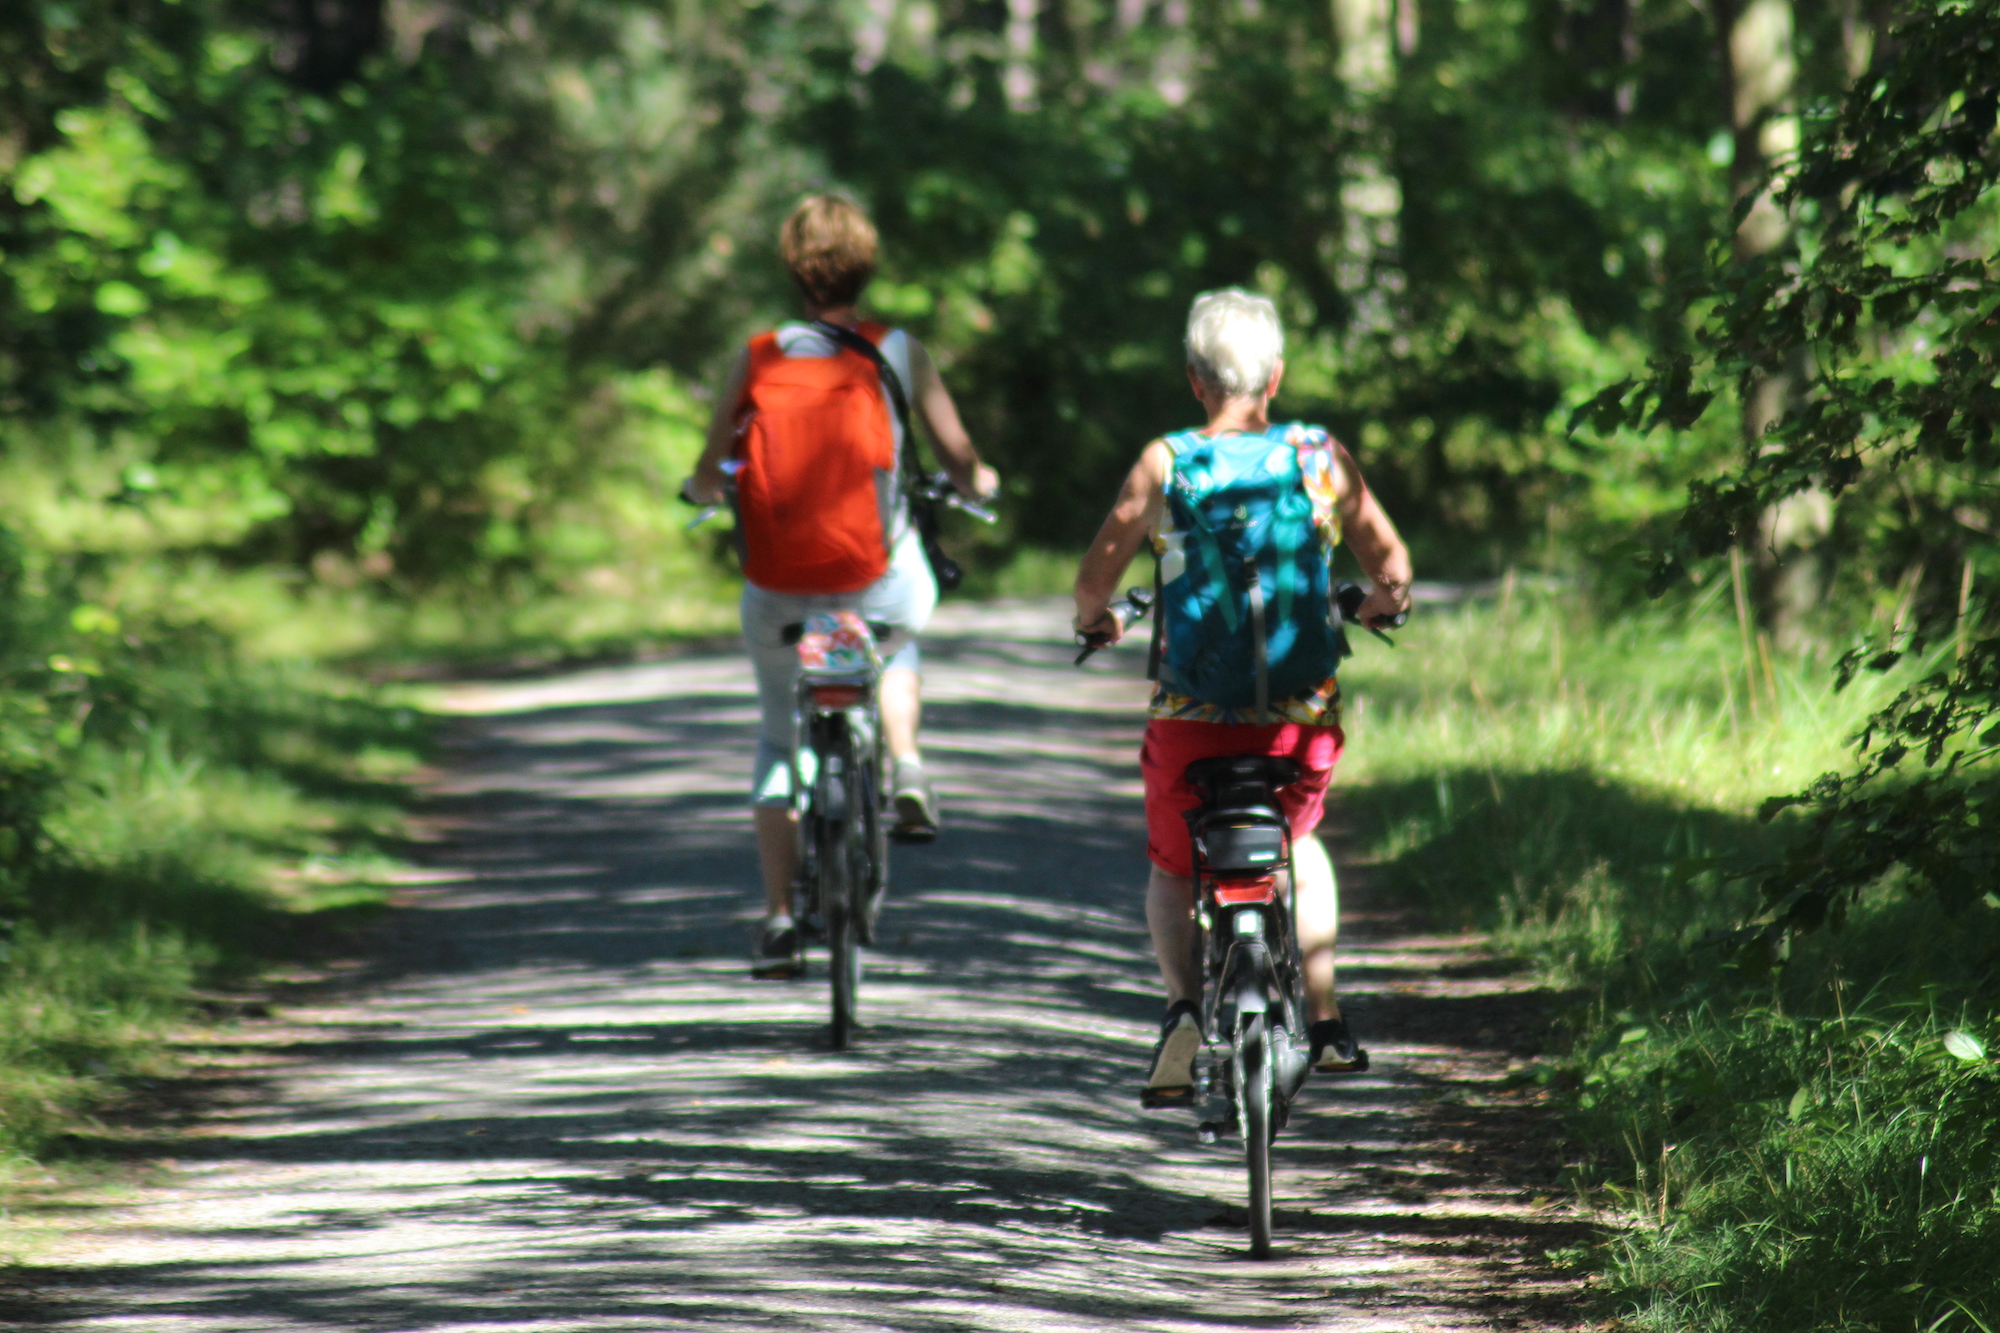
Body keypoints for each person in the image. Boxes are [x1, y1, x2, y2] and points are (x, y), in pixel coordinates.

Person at [1071, 288, 1412, 1098]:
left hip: (1192, 724)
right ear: (1277, 377)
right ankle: (1325, 1017)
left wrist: (1098, 619)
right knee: (1304, 842)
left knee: (1171, 865)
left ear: (1195, 381)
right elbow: (1392, 567)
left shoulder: (1166, 460)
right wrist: (1378, 602)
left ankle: (1183, 1008)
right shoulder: (1320, 457)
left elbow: (1097, 575)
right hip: (1297, 724)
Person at [686, 195, 999, 979]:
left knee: (775, 736)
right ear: (867, 264)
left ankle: (781, 916)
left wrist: (702, 492)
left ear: (793, 270)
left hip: (780, 589)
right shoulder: (899, 349)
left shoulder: (757, 356)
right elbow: (959, 458)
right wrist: (980, 480)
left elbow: (706, 471)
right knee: (894, 643)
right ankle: (908, 761)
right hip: (874, 581)